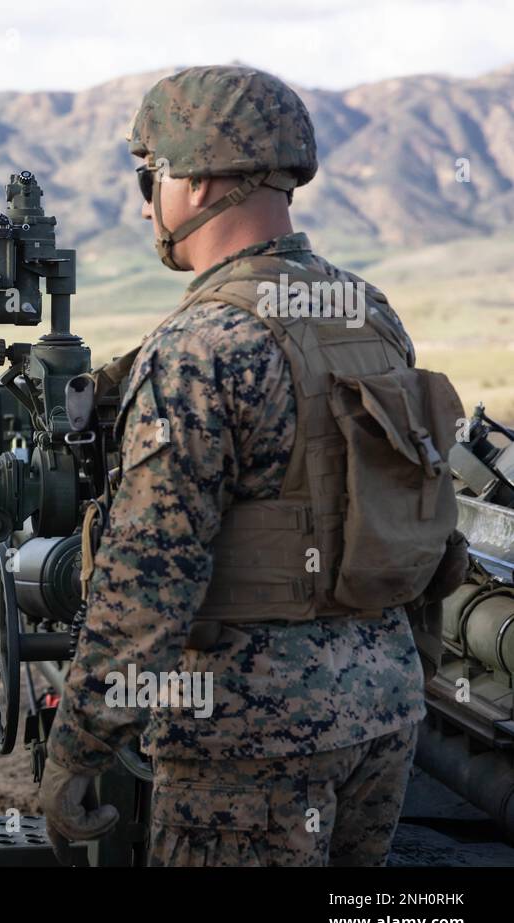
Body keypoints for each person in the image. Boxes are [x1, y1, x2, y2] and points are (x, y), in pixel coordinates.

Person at [39, 66, 463, 866]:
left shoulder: (199, 346)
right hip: (382, 712)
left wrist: (80, 745)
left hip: (247, 740)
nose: (142, 203)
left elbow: (148, 579)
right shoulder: (369, 313)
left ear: (195, 182)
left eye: (148, 175)